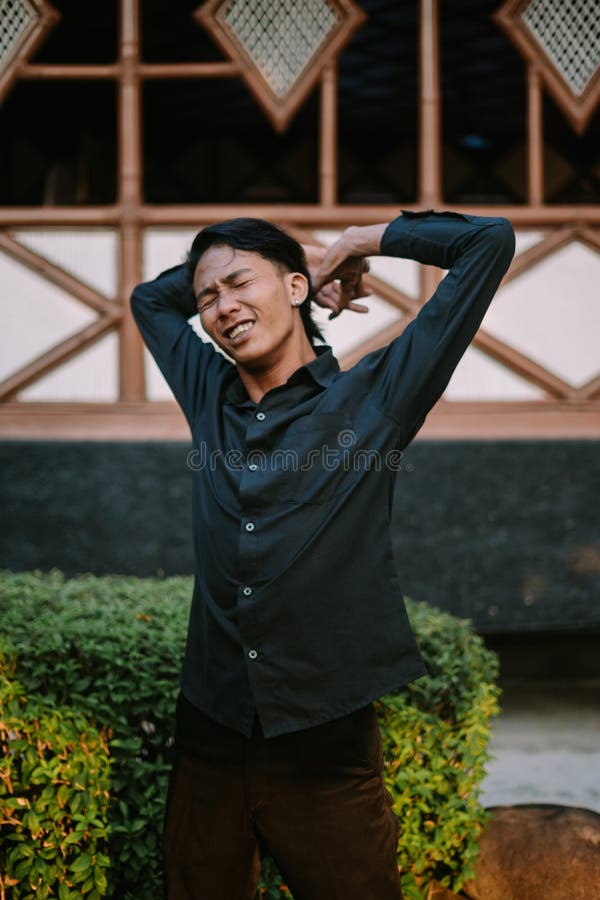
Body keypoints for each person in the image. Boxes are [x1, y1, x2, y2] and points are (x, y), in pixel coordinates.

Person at [130, 209, 515, 900]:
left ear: (300, 291)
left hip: (324, 744)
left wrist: (353, 244)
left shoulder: (373, 401)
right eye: (209, 294)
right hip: (210, 733)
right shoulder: (206, 393)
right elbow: (148, 300)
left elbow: (487, 243)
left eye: (241, 283)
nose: (221, 306)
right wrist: (284, 257)